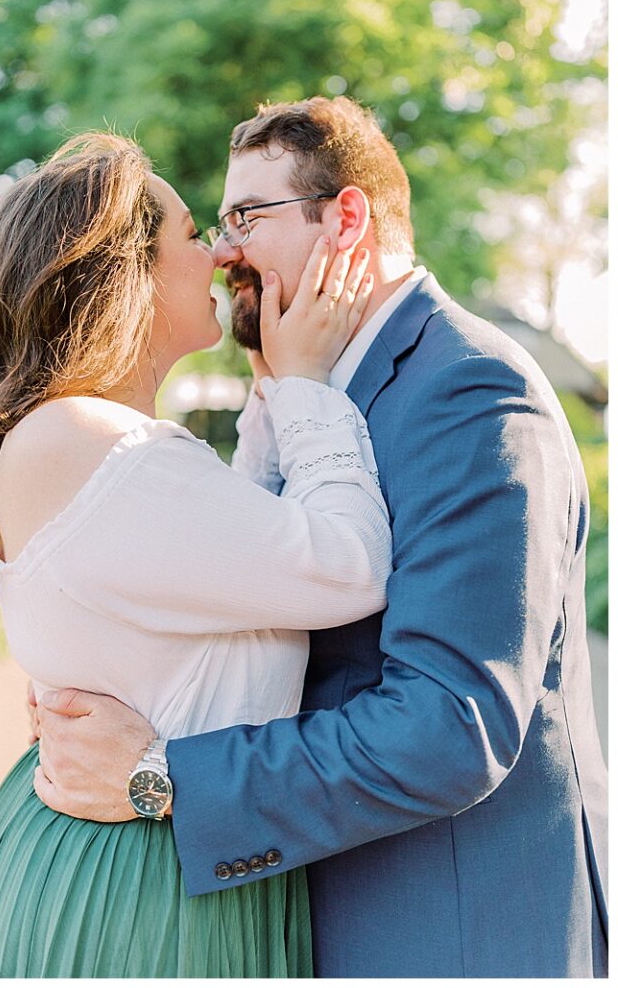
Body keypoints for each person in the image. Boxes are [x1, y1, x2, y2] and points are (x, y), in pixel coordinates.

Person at [30, 96, 608, 977]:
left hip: (443, 935)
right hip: (321, 914)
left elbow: (449, 727)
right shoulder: (315, 391)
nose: (224, 253)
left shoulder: (468, 392)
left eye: (244, 219)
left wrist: (162, 775)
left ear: (345, 219)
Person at [0, 131, 391, 976]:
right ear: (125, 273)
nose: (219, 252)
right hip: (146, 874)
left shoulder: (93, 442)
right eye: (191, 232)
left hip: (147, 847)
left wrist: (267, 386)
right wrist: (305, 386)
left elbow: (242, 549)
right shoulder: (93, 441)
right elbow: (346, 563)